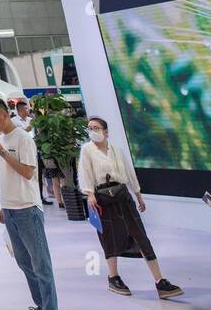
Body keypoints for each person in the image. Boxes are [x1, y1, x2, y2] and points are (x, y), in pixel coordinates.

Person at [78, 117, 182, 299]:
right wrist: (89, 194)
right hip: (102, 198)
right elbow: (84, 172)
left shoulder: (116, 150)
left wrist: (138, 194)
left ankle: (160, 281)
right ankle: (113, 277)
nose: (92, 130)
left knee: (140, 235)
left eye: (96, 127)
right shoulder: (87, 150)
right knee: (108, 237)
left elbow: (129, 172)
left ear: (106, 131)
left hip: (122, 195)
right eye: (90, 128)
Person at [0, 98, 57, 310]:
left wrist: (3, 153)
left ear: (4, 115)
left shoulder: (22, 138)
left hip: (27, 209)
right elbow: (7, 177)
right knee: (24, 262)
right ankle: (41, 304)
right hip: (10, 210)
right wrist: (3, 205)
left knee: (41, 264)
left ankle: (50, 306)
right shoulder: (3, 139)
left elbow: (27, 172)